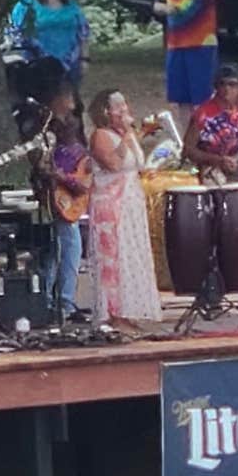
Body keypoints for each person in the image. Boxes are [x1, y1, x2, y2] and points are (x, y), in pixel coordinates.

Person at [88, 89, 166, 327]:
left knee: (131, 256)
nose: (123, 110)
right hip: (112, 205)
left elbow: (136, 164)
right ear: (105, 111)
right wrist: (127, 134)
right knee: (114, 257)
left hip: (131, 202)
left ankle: (129, 310)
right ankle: (113, 313)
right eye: (117, 106)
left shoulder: (126, 135)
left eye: (124, 104)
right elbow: (113, 163)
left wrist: (133, 135)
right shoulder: (101, 135)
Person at [152, 0, 224, 127]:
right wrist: (166, 9)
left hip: (202, 42)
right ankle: (186, 136)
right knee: (181, 98)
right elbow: (156, 4)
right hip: (176, 43)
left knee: (203, 96)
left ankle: (206, 133)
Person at [42, 86, 92, 321]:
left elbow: (83, 184)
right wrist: (58, 177)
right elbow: (80, 185)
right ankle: (64, 301)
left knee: (61, 252)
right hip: (61, 206)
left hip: (67, 205)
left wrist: (60, 177)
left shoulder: (78, 152)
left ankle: (52, 299)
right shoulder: (59, 152)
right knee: (68, 252)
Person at [12, 0, 90, 89]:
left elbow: (83, 34)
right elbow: (16, 35)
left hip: (70, 66)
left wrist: (84, 60)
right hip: (37, 67)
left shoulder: (70, 4)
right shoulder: (26, 3)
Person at [184, 64, 238, 180]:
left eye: (232, 85)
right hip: (210, 174)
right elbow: (188, 150)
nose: (227, 89)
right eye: (222, 84)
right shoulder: (203, 114)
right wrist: (217, 160)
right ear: (216, 87)